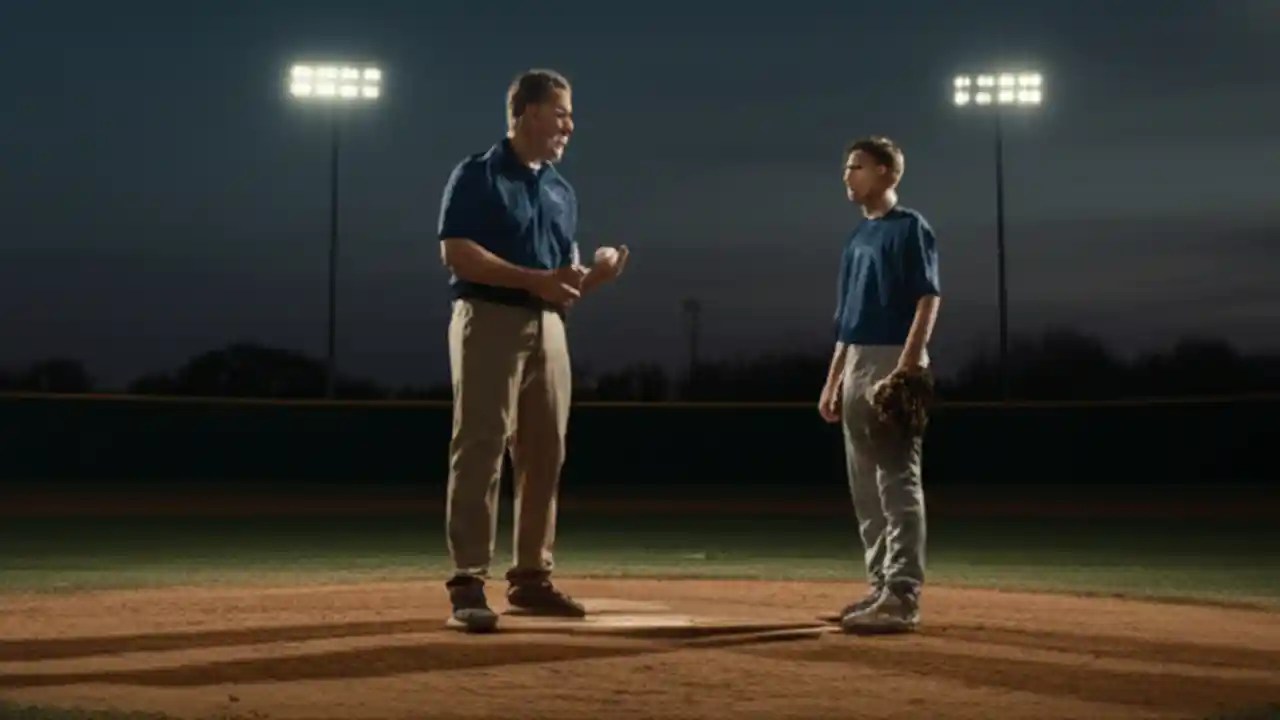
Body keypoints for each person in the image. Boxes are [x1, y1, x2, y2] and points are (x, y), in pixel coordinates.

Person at [436, 68, 630, 632]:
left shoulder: (561, 190)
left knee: (545, 452)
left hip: (550, 327)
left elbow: (559, 283)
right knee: (480, 445)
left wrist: (597, 275)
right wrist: (532, 280)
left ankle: (530, 578)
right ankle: (468, 581)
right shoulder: (477, 174)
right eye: (562, 111)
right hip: (487, 316)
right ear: (525, 112)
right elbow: (456, 253)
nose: (571, 124)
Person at [817, 136, 941, 634]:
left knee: (897, 482)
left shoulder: (911, 228)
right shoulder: (855, 239)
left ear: (889, 173)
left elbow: (928, 300)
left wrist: (907, 369)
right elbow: (847, 321)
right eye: (847, 167)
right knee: (865, 487)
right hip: (857, 361)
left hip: (893, 356)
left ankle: (903, 593)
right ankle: (879, 589)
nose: (848, 176)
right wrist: (833, 380)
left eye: (859, 167)